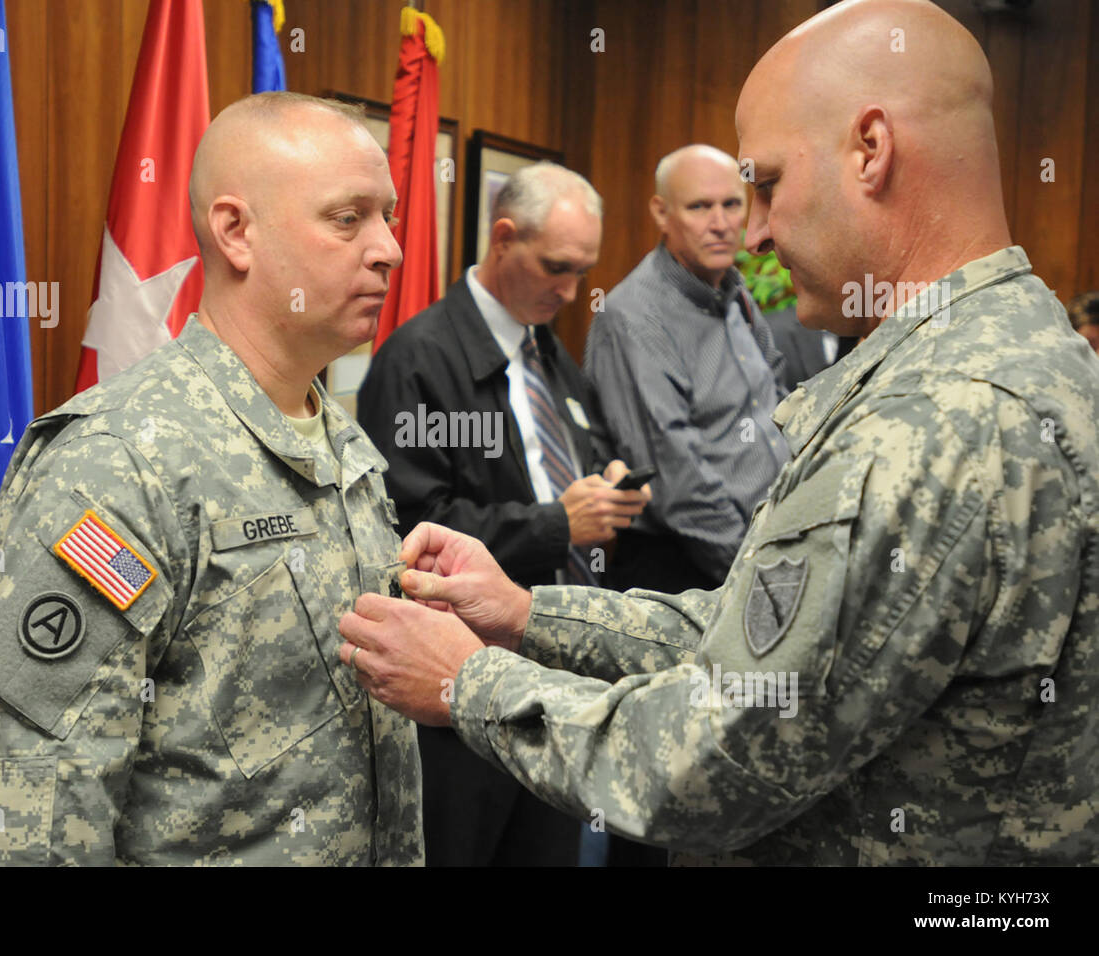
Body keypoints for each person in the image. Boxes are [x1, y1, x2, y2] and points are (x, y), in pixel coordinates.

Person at [336, 0, 1099, 864]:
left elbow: (704, 761)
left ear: (872, 150)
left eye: (766, 185)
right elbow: (752, 637)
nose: (756, 232)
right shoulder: (1018, 350)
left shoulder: (937, 416)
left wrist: (465, 680)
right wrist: (525, 613)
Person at [0, 92, 424, 866]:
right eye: (348, 219)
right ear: (236, 232)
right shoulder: (120, 459)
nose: (388, 251)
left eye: (389, 217)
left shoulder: (342, 443)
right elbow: (34, 810)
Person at [356, 161, 649, 866]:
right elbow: (409, 527)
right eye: (556, 267)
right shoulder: (420, 355)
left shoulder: (548, 351)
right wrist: (557, 524)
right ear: (503, 237)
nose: (571, 291)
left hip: (543, 680)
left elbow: (573, 456)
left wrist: (608, 486)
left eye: (583, 272)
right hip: (453, 695)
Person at [585, 145, 788, 595]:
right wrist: (757, 581)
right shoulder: (634, 316)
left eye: (731, 204)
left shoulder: (736, 293)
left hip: (763, 550)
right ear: (662, 213)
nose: (720, 223)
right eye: (700, 207)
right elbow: (677, 479)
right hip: (690, 572)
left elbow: (782, 405)